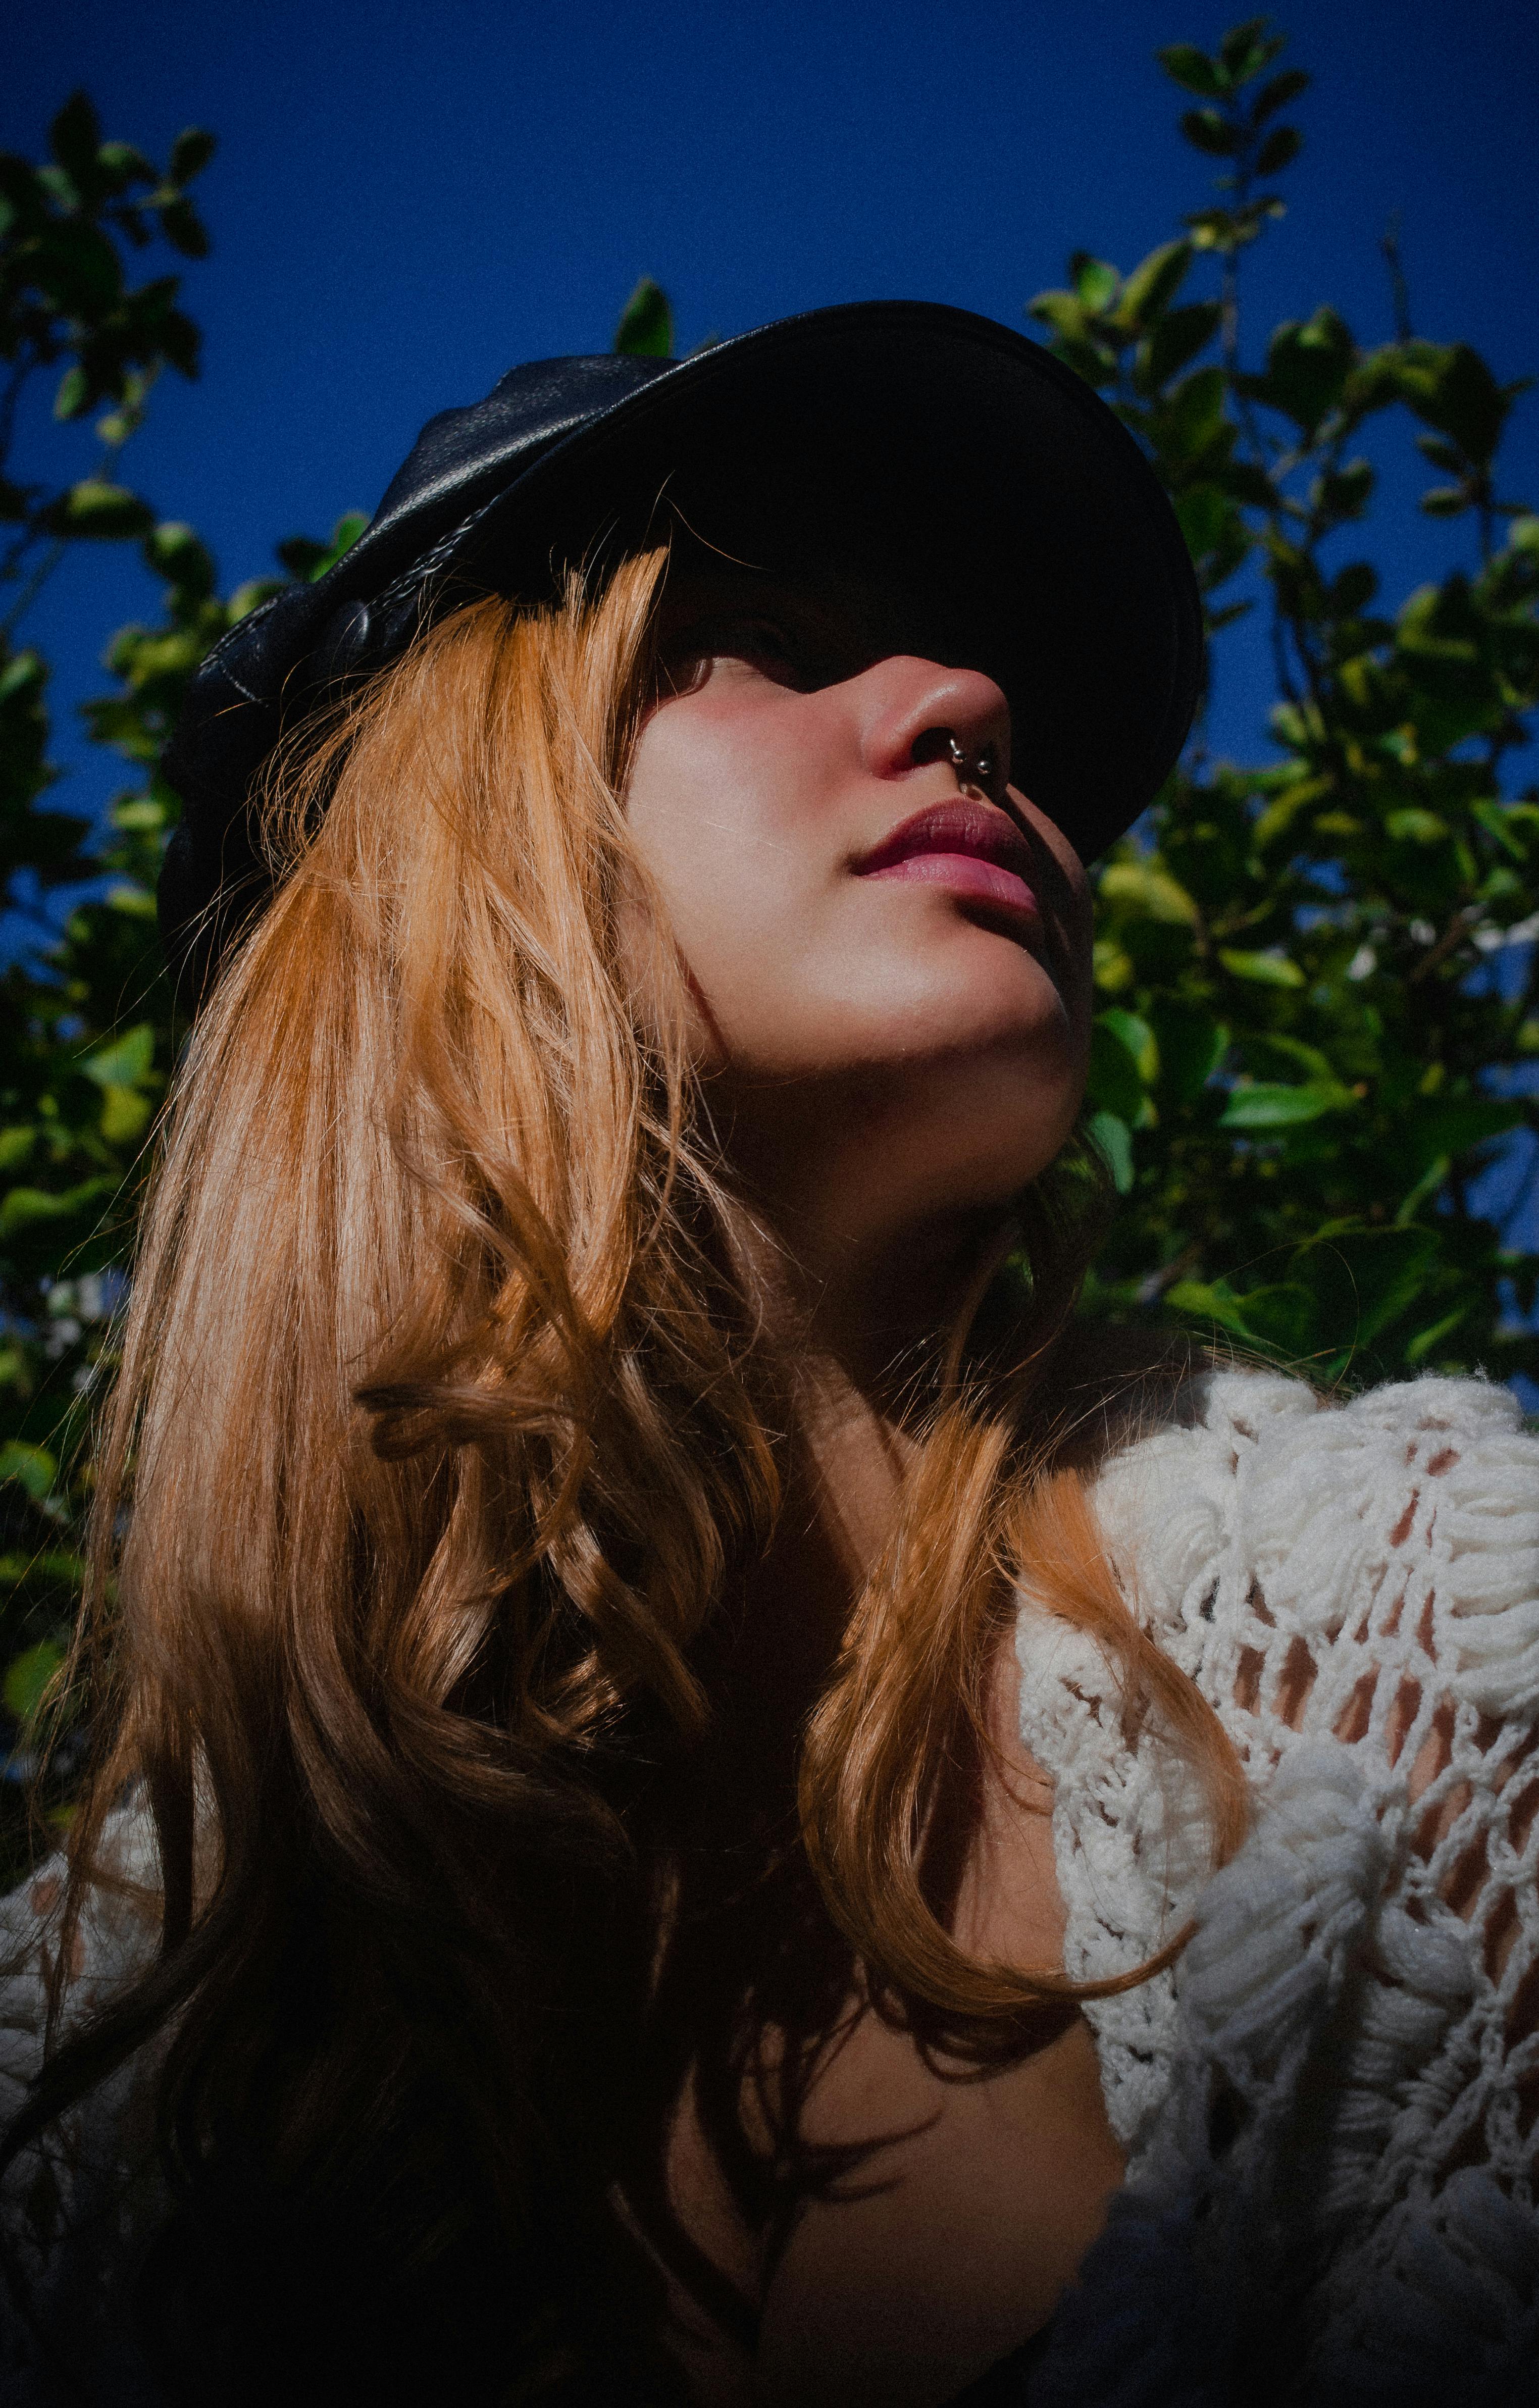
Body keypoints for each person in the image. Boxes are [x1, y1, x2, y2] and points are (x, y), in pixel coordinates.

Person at [1, 301, 1535, 2408]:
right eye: (759, 635)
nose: (979, 701)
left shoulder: (1429, 1677)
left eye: (966, 664)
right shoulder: (80, 2083)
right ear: (448, 841)